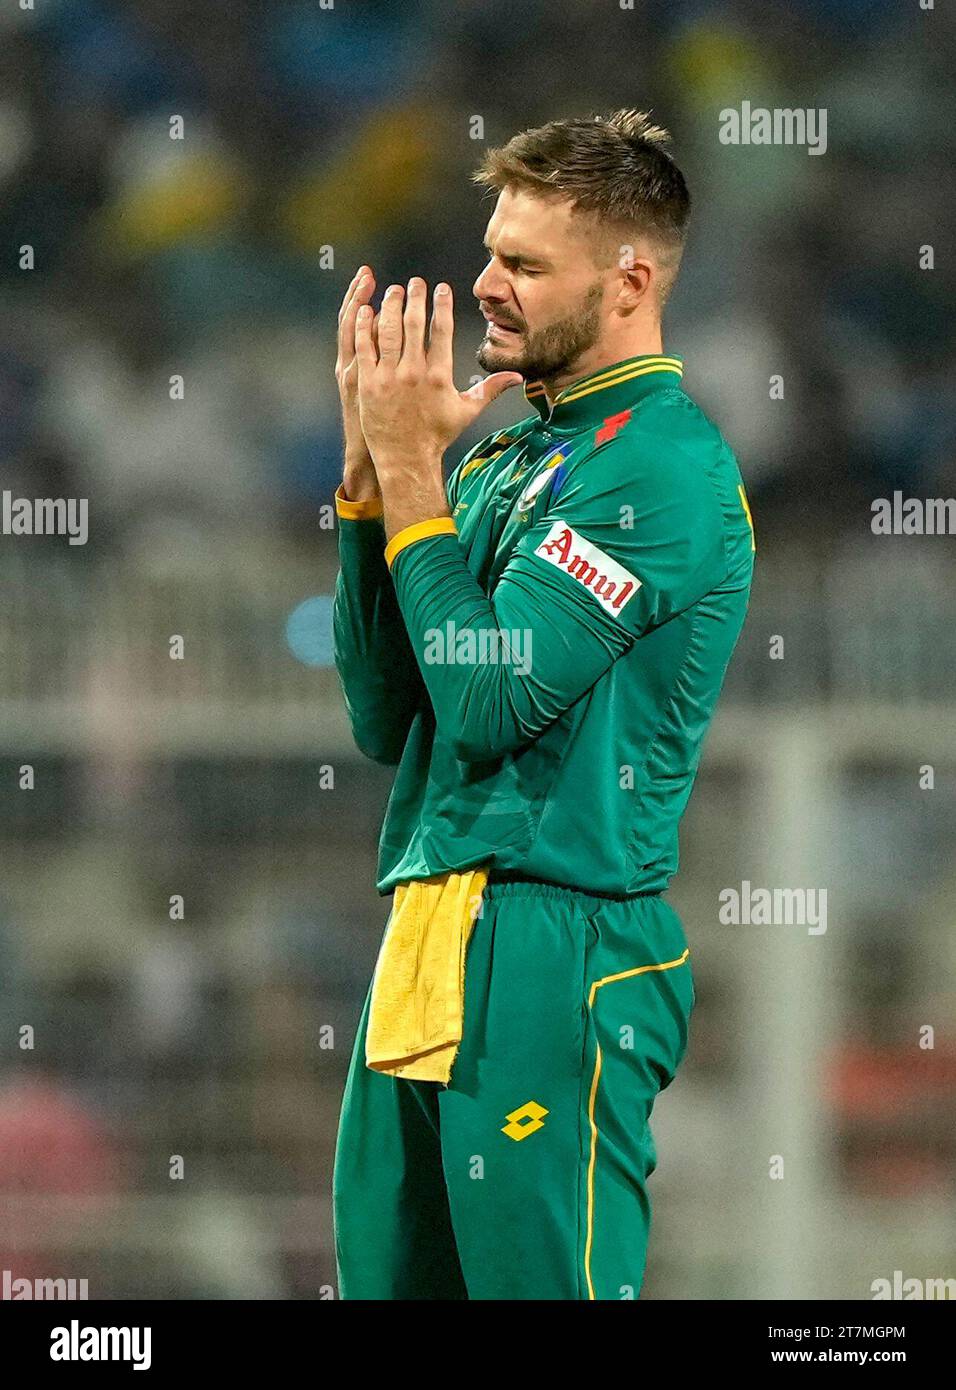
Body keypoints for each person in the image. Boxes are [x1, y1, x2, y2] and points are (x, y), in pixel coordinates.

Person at [331, 110, 754, 1300]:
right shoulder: (503, 459)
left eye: (521, 265)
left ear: (627, 279)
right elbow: (386, 717)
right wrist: (372, 489)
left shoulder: (658, 465)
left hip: (555, 942)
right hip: (427, 926)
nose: (483, 286)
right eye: (488, 253)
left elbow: (487, 698)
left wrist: (416, 473)